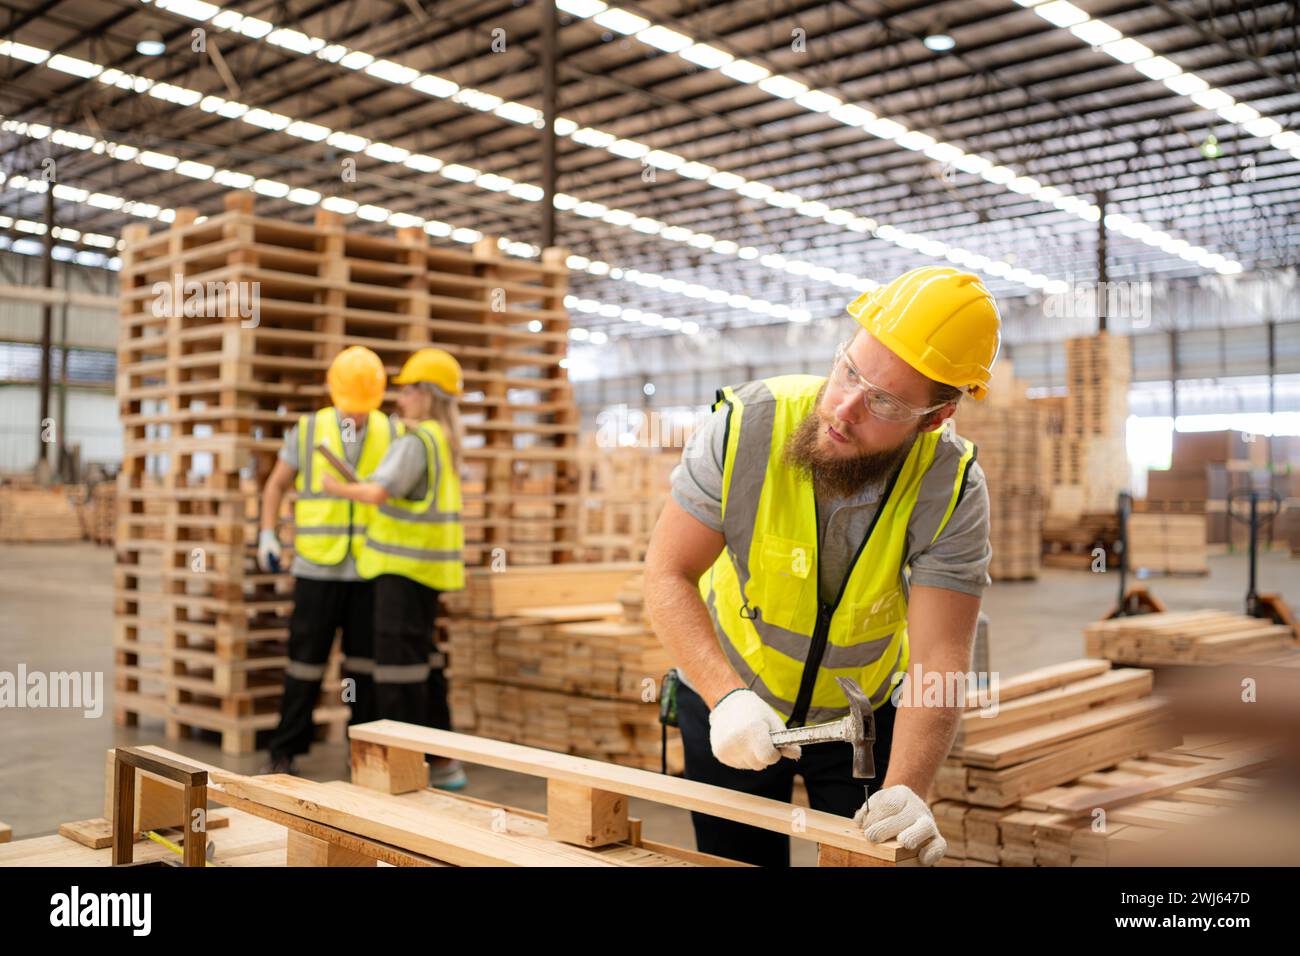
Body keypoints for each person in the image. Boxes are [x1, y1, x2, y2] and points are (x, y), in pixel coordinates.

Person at [643, 265, 1000, 866]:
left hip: (858, 718)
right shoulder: (744, 428)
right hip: (731, 698)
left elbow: (940, 656)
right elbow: (667, 573)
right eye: (849, 370)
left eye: (883, 401)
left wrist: (909, 786)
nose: (844, 407)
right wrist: (723, 695)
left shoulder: (951, 486)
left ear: (934, 419)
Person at [322, 347, 468, 790]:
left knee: (398, 672)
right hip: (426, 575)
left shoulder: (416, 441)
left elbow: (379, 493)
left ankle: (402, 770)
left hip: (400, 575)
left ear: (426, 394)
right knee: (425, 664)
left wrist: (338, 488)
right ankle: (442, 763)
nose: (399, 400)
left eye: (406, 391)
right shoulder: (441, 439)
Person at [259, 346, 397, 774]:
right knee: (305, 663)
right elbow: (276, 484)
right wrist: (267, 532)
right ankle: (285, 751)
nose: (355, 417)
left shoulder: (391, 432)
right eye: (350, 408)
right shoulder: (309, 429)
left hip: (368, 570)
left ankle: (365, 753)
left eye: (363, 408)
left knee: (362, 670)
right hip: (317, 568)